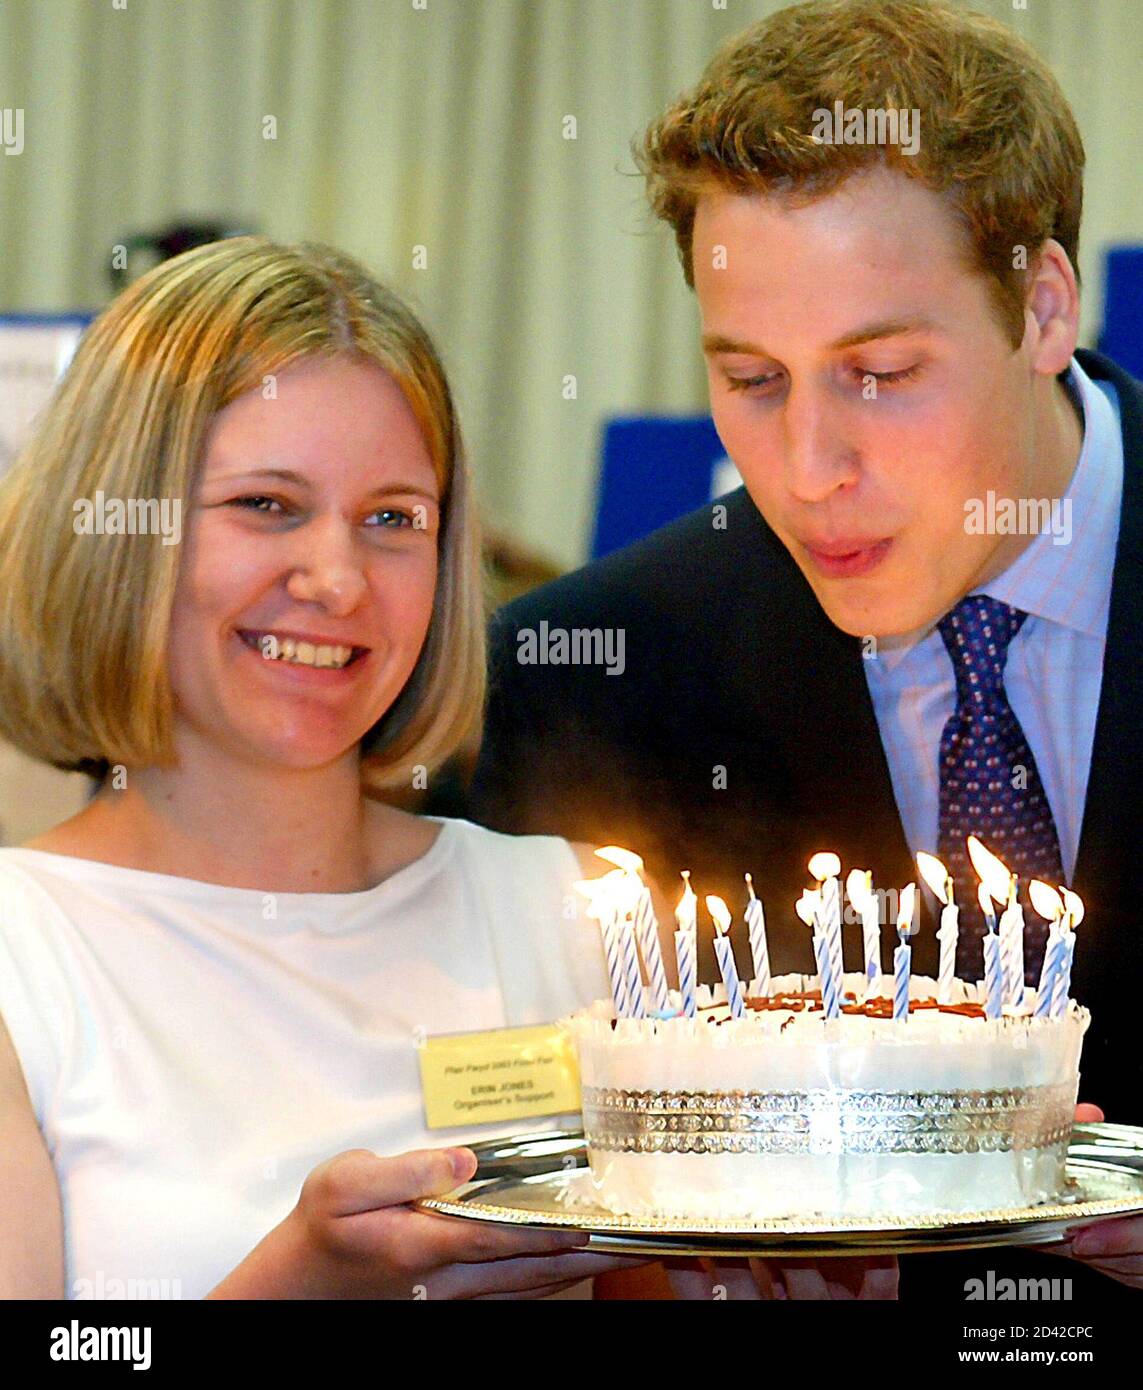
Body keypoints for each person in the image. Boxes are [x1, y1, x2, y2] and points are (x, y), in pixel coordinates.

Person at [469, 0, 1142, 1299]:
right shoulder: (590, 673)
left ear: (1041, 304)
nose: (804, 468)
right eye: (753, 379)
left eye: (878, 371)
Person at [0, 235, 653, 1300]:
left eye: (393, 519)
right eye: (268, 505)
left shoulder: (582, 914)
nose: (338, 579)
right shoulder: (22, 960)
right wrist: (298, 1284)